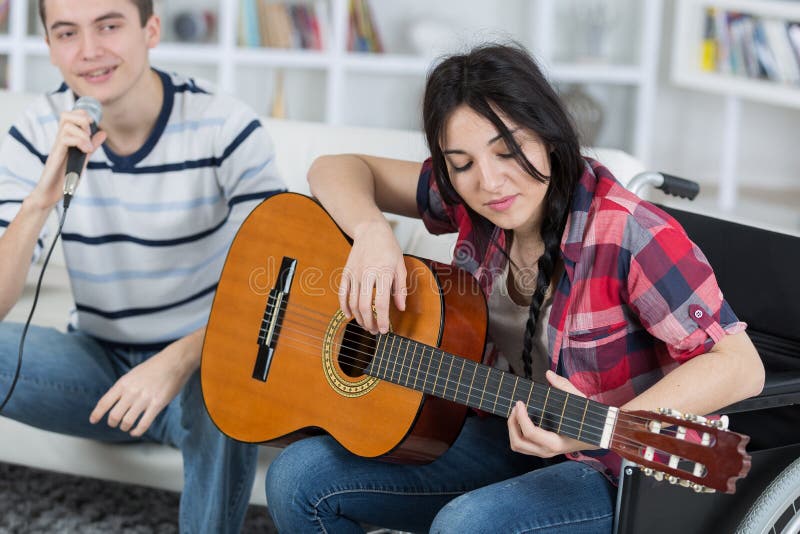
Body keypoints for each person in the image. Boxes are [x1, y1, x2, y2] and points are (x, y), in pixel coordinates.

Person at [263, 43, 765, 533]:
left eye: (508, 150)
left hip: (612, 468)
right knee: (298, 478)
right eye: (462, 163)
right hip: (503, 432)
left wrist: (600, 427)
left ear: (549, 135)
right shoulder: (469, 202)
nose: (490, 181)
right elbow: (333, 167)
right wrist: (371, 232)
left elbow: (741, 366)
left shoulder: (632, 233)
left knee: (466, 525)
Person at [0, 1, 285, 532]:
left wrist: (179, 360)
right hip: (95, 368)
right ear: (50, 47)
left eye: (108, 26)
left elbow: (282, 283)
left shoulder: (224, 124)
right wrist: (40, 200)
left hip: (202, 364)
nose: (89, 51)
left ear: (150, 30)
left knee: (224, 389)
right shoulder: (38, 130)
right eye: (67, 33)